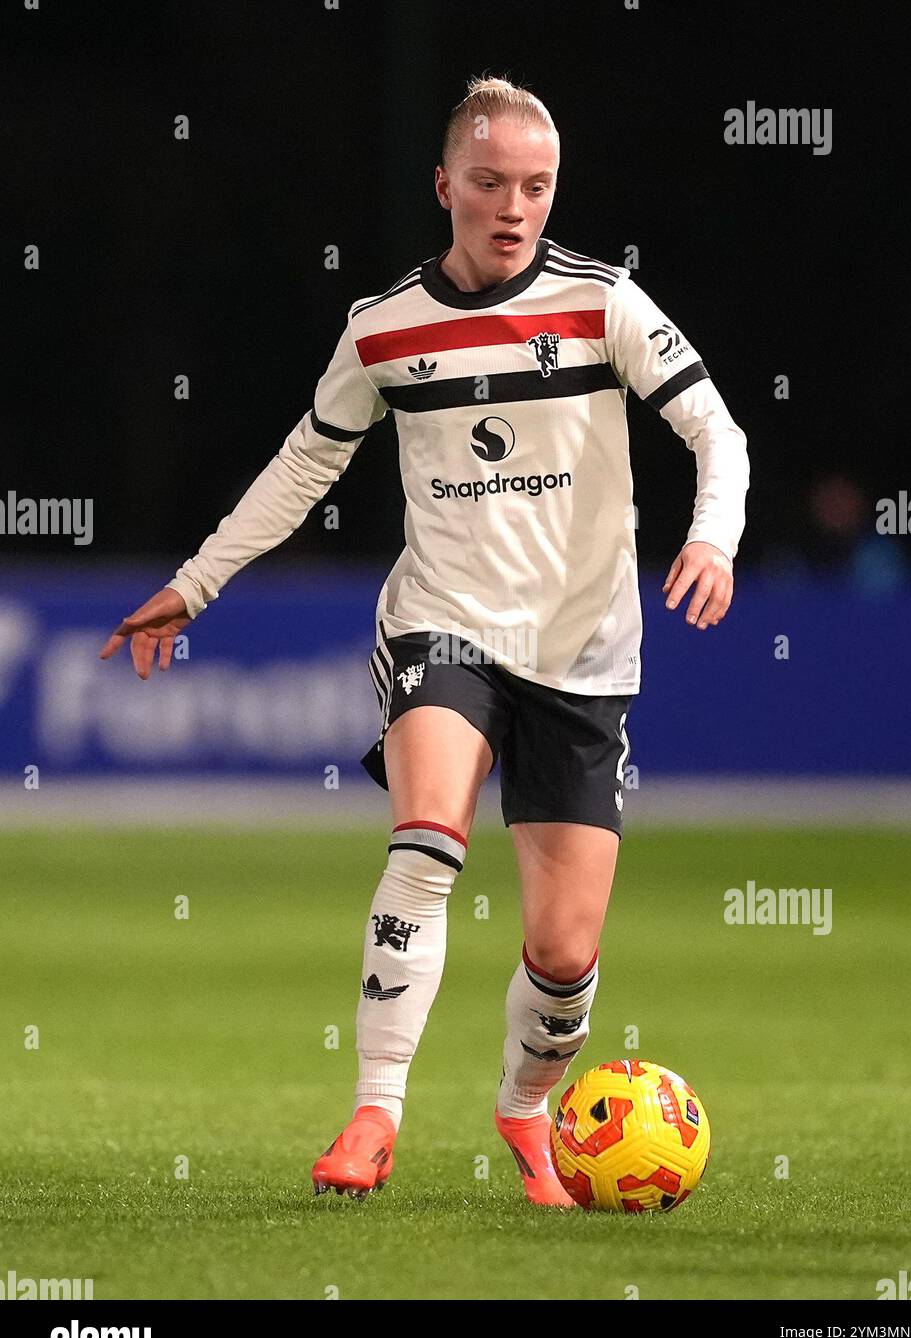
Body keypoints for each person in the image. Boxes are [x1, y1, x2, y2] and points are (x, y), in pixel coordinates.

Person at [99, 74, 749, 1207]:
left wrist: (714, 538)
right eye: (490, 182)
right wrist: (195, 584)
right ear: (443, 183)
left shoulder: (605, 303)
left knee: (560, 949)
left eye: (535, 186)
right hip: (440, 622)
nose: (513, 206)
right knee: (429, 828)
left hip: (581, 651)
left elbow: (715, 431)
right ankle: (373, 1110)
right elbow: (307, 460)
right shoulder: (383, 328)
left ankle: (524, 1108)